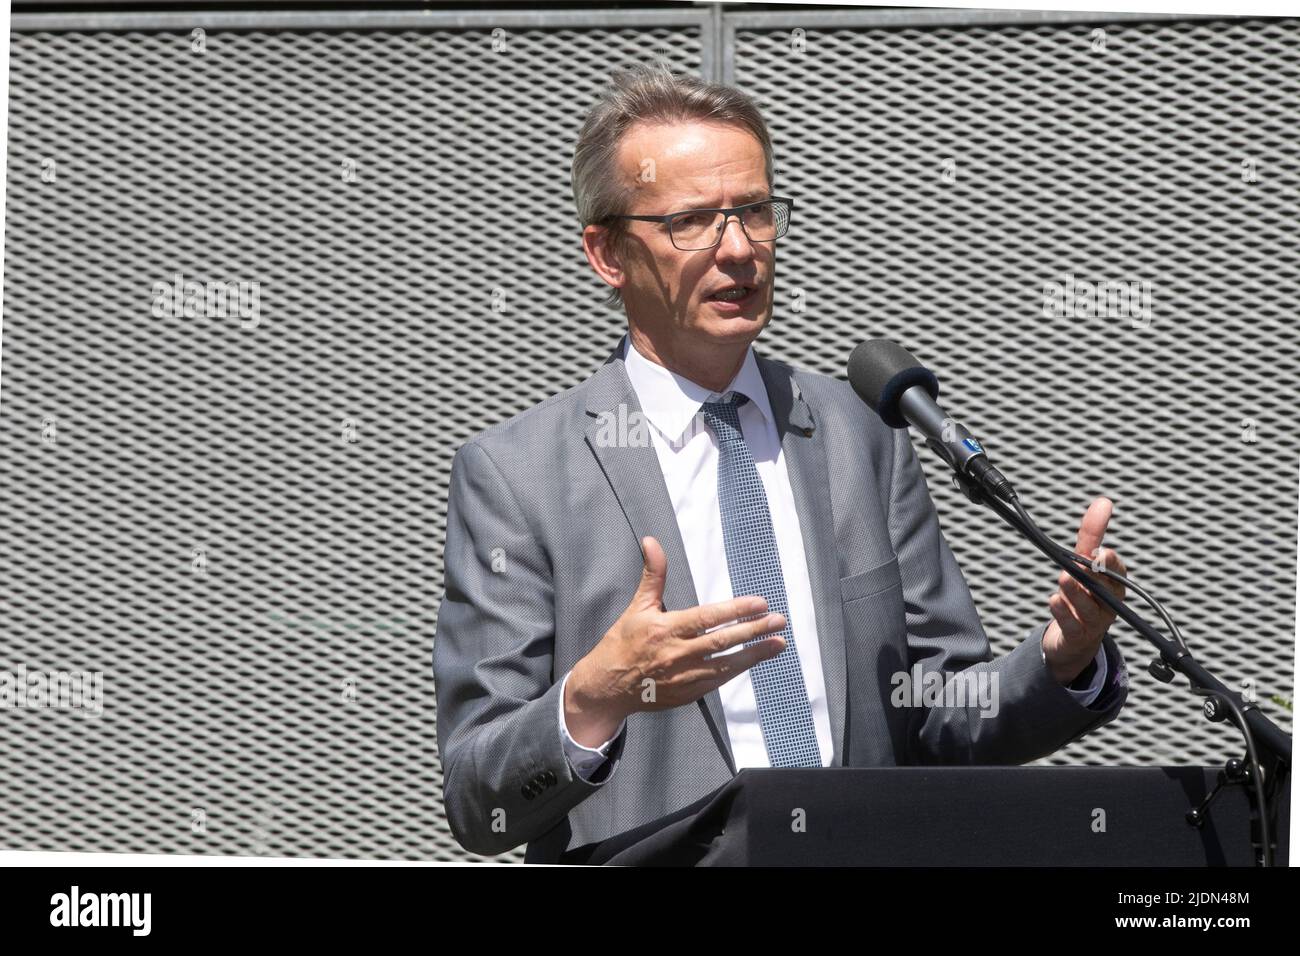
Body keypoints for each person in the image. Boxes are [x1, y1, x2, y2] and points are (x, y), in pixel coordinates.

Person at [432, 61, 1128, 862]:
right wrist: (594, 698)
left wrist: (1061, 661)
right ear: (607, 254)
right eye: (693, 220)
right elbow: (475, 795)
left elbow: (938, 717)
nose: (738, 250)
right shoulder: (517, 476)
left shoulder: (861, 434)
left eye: (755, 212)